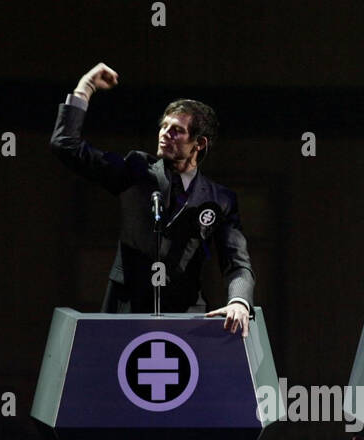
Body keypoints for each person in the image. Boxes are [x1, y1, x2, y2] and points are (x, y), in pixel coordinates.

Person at [50, 63, 255, 337]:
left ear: (199, 143)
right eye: (164, 126)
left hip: (185, 319)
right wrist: (84, 88)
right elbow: (65, 144)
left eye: (177, 130)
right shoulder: (136, 170)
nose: (165, 133)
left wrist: (239, 302)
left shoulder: (220, 200)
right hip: (125, 314)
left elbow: (237, 262)